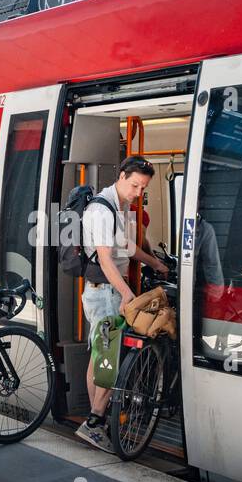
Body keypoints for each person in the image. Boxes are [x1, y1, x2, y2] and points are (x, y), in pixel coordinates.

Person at [75, 156, 169, 452]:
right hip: (105, 292)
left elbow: (126, 247)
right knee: (107, 360)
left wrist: (155, 262)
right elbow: (105, 258)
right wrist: (127, 294)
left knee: (100, 357)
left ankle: (96, 420)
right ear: (122, 176)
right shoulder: (101, 210)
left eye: (143, 188)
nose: (137, 192)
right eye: (134, 185)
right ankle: (94, 423)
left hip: (107, 290)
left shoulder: (119, 206)